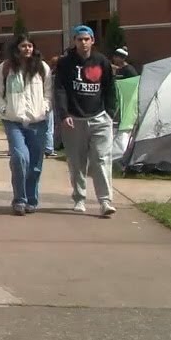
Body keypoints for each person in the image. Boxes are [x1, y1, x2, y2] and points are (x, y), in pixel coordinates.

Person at [55, 25, 118, 217]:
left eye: (86, 39)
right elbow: (60, 89)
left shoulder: (102, 62)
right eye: (79, 39)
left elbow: (110, 88)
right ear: (74, 41)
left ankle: (105, 201)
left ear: (92, 41)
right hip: (74, 120)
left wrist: (110, 112)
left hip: (99, 118)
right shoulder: (65, 63)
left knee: (101, 159)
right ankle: (79, 198)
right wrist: (64, 114)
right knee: (76, 162)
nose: (83, 42)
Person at [0, 35, 53, 215]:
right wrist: (4, 109)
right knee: (19, 158)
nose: (27, 49)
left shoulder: (42, 68)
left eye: (30, 46)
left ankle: (31, 200)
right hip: (13, 121)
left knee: (35, 163)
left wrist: (45, 108)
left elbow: (49, 93)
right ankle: (19, 199)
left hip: (37, 121)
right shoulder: (6, 68)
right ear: (16, 48)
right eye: (23, 46)